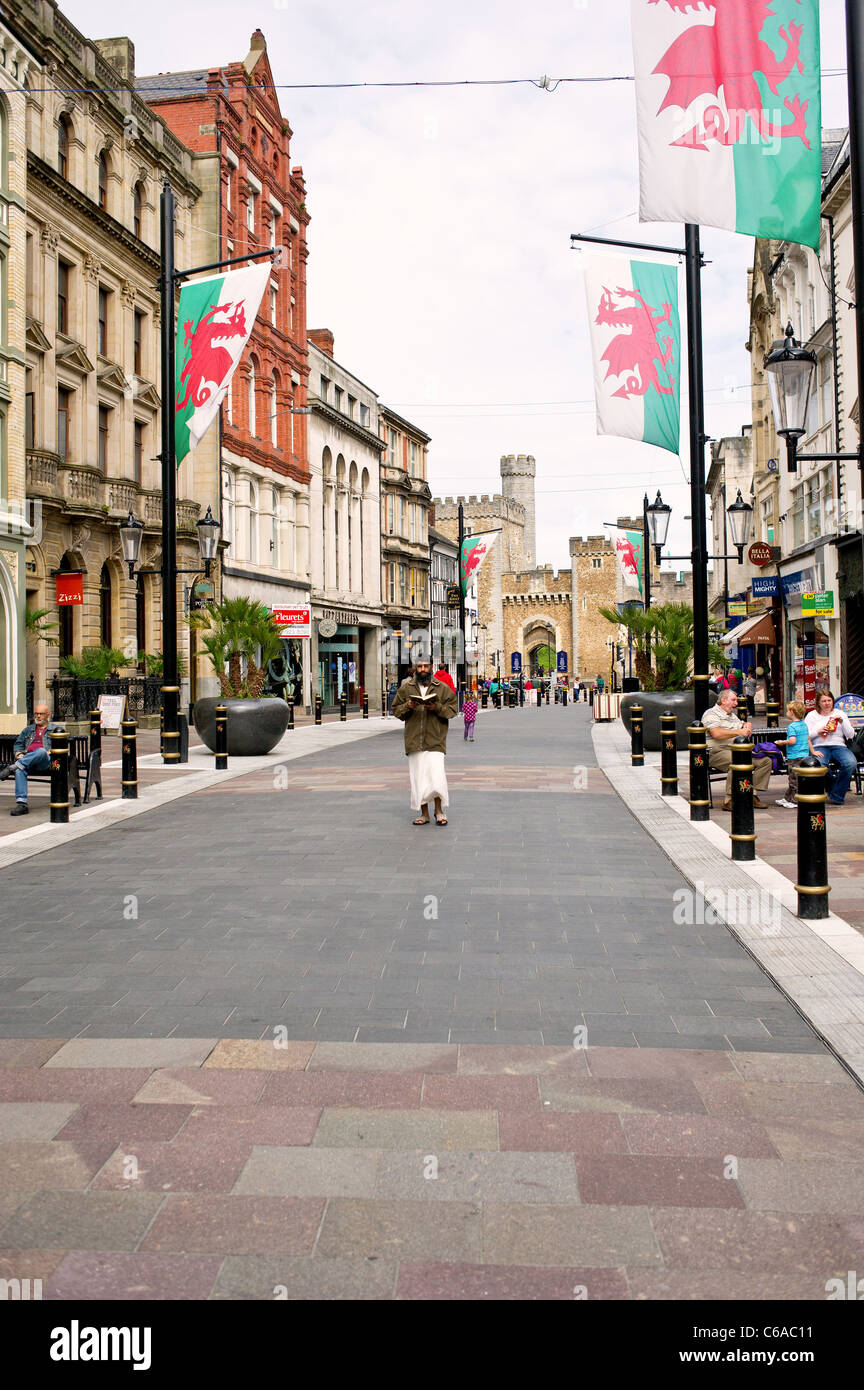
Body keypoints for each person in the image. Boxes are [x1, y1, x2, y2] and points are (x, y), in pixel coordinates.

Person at [392, 659, 458, 826]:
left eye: (425, 666)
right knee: (418, 777)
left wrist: (436, 708)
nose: (422, 669)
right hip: (414, 740)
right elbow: (396, 710)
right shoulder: (406, 689)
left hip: (435, 739)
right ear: (416, 668)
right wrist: (408, 706)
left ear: (431, 668)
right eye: (419, 666)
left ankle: (439, 811)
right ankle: (424, 814)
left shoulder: (442, 688)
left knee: (436, 777)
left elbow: (453, 710)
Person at [701, 688, 773, 810]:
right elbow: (716, 733)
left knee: (765, 761)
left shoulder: (731, 715)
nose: (736, 703)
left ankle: (752, 794)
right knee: (737, 762)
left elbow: (743, 724)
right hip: (716, 751)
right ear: (723, 700)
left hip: (737, 750)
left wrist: (747, 725)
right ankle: (730, 800)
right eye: (733, 700)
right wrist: (739, 732)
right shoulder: (711, 714)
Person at [0, 703, 66, 816]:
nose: (38, 716)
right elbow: (18, 744)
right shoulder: (28, 730)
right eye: (36, 713)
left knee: (40, 751)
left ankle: (13, 766)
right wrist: (19, 754)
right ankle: (22, 803)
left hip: (45, 762)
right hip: (27, 760)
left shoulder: (55, 729)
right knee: (20, 770)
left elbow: (63, 746)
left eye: (41, 714)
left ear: (48, 715)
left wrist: (50, 751)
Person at [806, 689, 857, 807]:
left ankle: (836, 795)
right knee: (821, 765)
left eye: (829, 700)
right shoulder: (812, 715)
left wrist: (842, 722)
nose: (827, 703)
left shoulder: (839, 713)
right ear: (818, 702)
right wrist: (818, 731)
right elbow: (806, 735)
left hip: (839, 746)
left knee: (850, 763)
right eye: (823, 701)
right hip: (819, 746)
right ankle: (835, 790)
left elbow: (850, 735)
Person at [774, 700, 815, 809]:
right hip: (804, 755)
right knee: (795, 778)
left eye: (787, 710)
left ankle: (794, 801)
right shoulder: (804, 725)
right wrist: (813, 751)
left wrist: (782, 742)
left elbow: (792, 741)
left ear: (792, 712)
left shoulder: (792, 726)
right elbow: (807, 739)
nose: (786, 712)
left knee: (793, 779)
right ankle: (787, 798)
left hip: (794, 757)